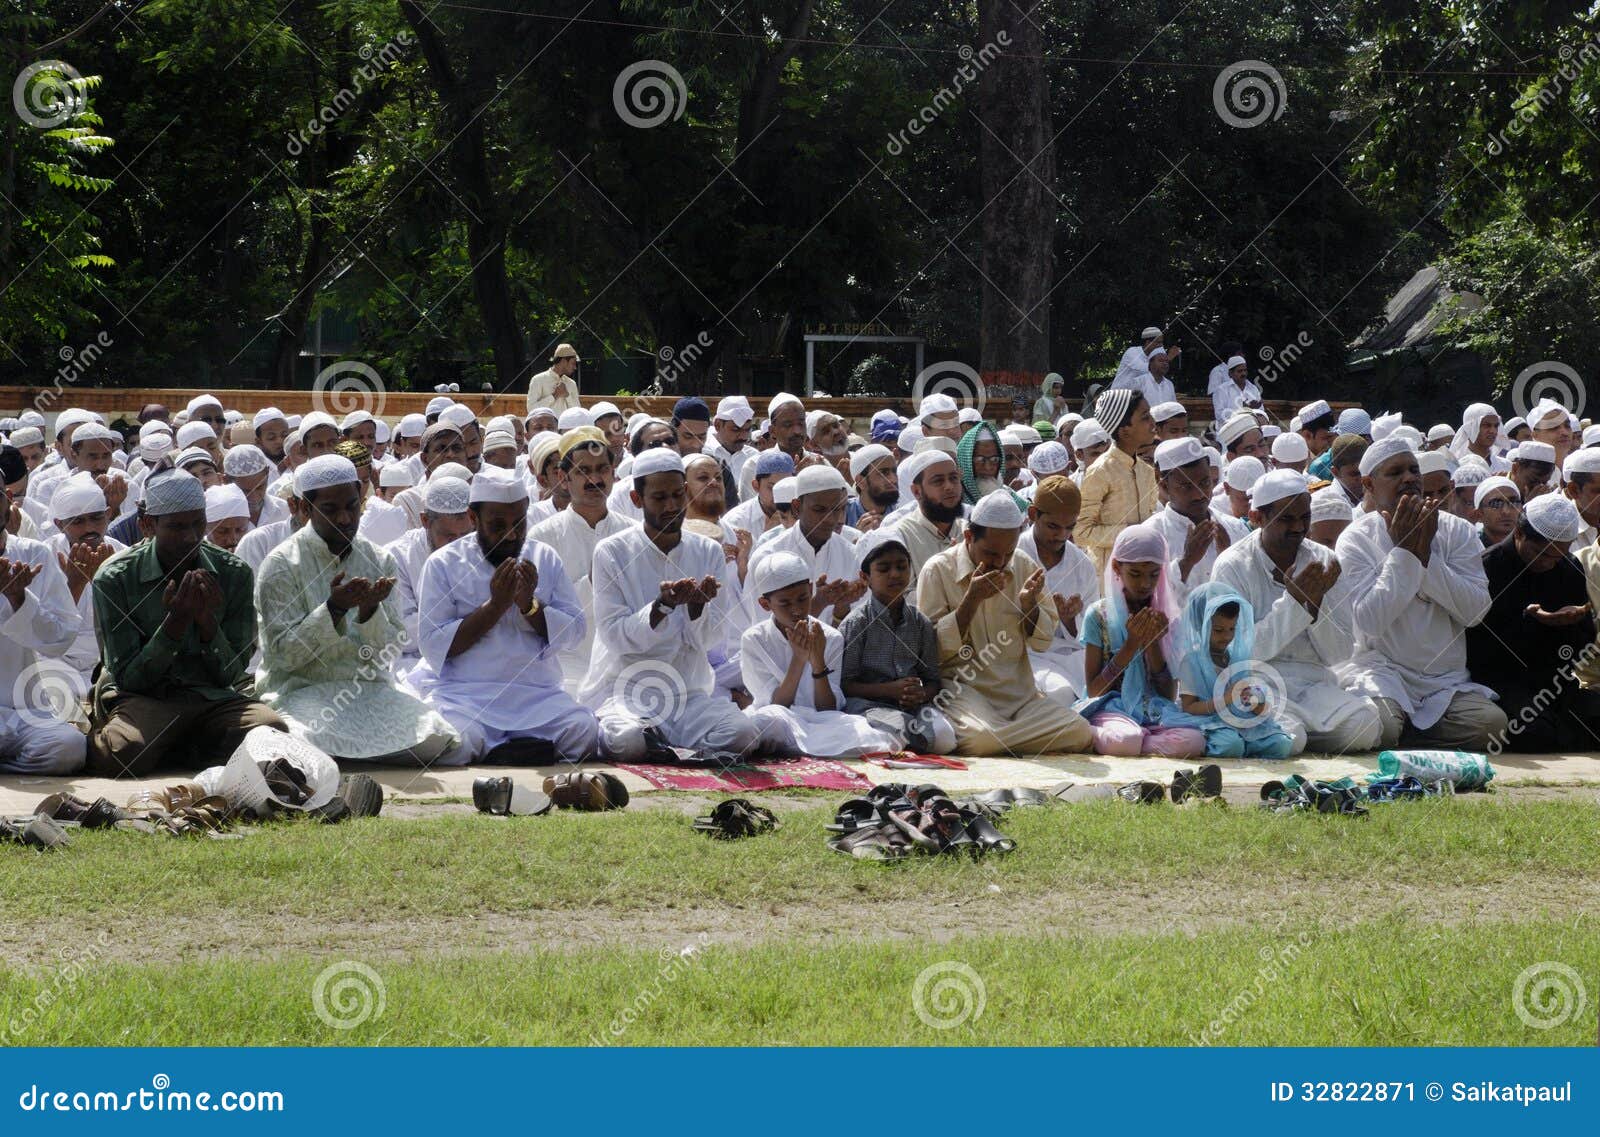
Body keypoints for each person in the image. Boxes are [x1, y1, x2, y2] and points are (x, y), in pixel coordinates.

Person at [255, 455, 460, 765]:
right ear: (306, 509)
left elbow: (390, 651)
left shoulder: (379, 560)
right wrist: (334, 610)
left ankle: (347, 757)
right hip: (302, 691)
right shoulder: (281, 565)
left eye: (352, 506)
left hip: (366, 689)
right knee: (299, 737)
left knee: (436, 736)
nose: (344, 519)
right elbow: (283, 656)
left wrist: (369, 612)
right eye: (330, 509)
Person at [87, 469, 286, 777]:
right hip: (147, 698)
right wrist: (175, 625)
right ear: (147, 525)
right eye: (177, 527)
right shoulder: (115, 578)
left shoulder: (233, 573)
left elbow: (233, 672)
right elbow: (128, 678)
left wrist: (207, 623)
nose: (191, 537)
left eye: (197, 523)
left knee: (271, 730)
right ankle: (181, 745)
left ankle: (177, 745)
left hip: (212, 696)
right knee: (123, 753)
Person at [582, 449, 773, 760]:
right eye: (659, 498)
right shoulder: (611, 551)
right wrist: (661, 608)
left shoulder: (708, 551)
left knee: (744, 734)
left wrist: (697, 610)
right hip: (628, 692)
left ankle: (661, 747)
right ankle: (660, 744)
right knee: (627, 740)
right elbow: (613, 636)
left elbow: (712, 641)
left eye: (676, 495)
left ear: (686, 492)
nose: (671, 506)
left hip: (687, 694)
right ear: (637, 499)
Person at [414, 467, 597, 763]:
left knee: (583, 732)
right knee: (455, 741)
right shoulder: (443, 563)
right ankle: (514, 749)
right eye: (497, 526)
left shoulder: (544, 557)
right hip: (467, 695)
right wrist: (495, 607)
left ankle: (499, 750)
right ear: (473, 518)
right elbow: (433, 644)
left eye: (519, 524)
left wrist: (529, 606)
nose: (511, 535)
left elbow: (575, 632)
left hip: (536, 695)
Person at [1334, 438, 1506, 750]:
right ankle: (1400, 728)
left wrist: (1426, 557)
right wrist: (1405, 554)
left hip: (1443, 681)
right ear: (1368, 484)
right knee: (1381, 726)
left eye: (1414, 470)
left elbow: (1476, 612)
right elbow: (1370, 622)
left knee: (1491, 726)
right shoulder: (1356, 539)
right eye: (1395, 472)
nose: (1409, 478)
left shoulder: (1457, 531)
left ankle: (1409, 733)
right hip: (1383, 673)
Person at [1209, 470, 1379, 753]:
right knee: (1291, 737)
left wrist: (1315, 604)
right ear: (1257, 517)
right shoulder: (1232, 565)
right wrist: (1295, 603)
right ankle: (1286, 735)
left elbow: (1340, 653)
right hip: (1255, 682)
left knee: (1365, 725)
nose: (1299, 527)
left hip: (1313, 686)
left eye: (1304, 517)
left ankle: (1280, 736)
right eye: (1286, 519)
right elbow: (1237, 653)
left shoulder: (1324, 560)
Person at [916, 489, 1094, 756]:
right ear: (969, 537)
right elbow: (931, 652)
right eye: (990, 553)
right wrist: (971, 601)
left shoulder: (1023, 564)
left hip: (1019, 694)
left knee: (1080, 731)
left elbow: (1042, 642)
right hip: (963, 690)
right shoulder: (938, 570)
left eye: (1007, 554)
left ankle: (1001, 738)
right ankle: (1004, 738)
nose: (1000, 563)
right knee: (981, 739)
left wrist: (1029, 607)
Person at [1467, 494, 1600, 750]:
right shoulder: (1487, 568)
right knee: (1535, 732)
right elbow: (1477, 650)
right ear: (1519, 533)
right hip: (1501, 682)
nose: (1548, 564)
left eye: (1557, 557)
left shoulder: (1568, 567)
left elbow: (1581, 647)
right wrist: (1533, 623)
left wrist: (1569, 626)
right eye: (1541, 554)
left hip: (1554, 683)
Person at [740, 552, 895, 758]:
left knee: (863, 731)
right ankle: (810, 747)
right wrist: (799, 658)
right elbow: (776, 704)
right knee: (767, 721)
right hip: (778, 717)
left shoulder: (830, 637)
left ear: (811, 589)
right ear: (765, 604)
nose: (796, 610)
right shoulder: (754, 639)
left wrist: (817, 661)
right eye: (785, 603)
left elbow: (827, 709)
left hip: (821, 722)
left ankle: (802, 746)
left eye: (803, 599)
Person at [1077, 525, 1207, 758]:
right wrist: (1130, 646)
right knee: (1125, 739)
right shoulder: (1098, 615)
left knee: (1194, 741)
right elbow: (1094, 691)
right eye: (1135, 574)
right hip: (1110, 707)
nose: (1145, 584)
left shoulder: (1165, 616)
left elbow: (1168, 695)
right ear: (1117, 567)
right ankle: (1106, 735)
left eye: (1154, 574)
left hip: (1153, 709)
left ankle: (1140, 741)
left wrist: (1152, 643)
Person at [0, 447, 88, 775]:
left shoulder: (34, 554)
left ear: (8, 499)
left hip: (26, 710)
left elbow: (59, 640)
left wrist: (19, 600)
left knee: (69, 747)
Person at [529, 427, 635, 696]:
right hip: (567, 668)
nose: (595, 479)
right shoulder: (542, 538)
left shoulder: (634, 534)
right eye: (583, 471)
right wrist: (592, 581)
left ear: (613, 473)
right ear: (563, 478)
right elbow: (542, 615)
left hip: (627, 665)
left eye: (602, 469)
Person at [839, 531, 956, 754]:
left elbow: (932, 680)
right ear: (865, 577)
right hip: (868, 706)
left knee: (945, 738)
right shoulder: (856, 623)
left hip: (912, 707)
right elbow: (844, 685)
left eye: (902, 567)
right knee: (898, 730)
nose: (895, 574)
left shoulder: (920, 622)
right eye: (884, 569)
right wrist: (889, 690)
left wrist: (920, 694)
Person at [1175, 583, 1297, 758]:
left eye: (1232, 629)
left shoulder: (1236, 658)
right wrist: (1225, 699)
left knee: (1282, 745)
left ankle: (1246, 745)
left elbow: (1252, 697)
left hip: (1241, 721)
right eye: (1218, 630)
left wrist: (1256, 703)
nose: (1227, 636)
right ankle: (1238, 746)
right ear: (1201, 626)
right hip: (1210, 722)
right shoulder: (1191, 662)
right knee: (1231, 745)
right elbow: (1189, 707)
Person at [744, 465, 862, 628]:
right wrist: (819, 603)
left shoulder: (851, 555)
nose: (831, 519)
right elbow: (766, 632)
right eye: (819, 510)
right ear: (797, 507)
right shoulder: (767, 557)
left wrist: (842, 607)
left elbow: (856, 630)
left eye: (838, 509)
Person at [1018, 475, 1098, 697]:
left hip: (1071, 655)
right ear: (1033, 514)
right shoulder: (1013, 555)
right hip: (1024, 654)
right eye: (1053, 526)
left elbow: (1091, 633)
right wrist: (1029, 608)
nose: (1062, 535)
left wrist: (1070, 620)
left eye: (1069, 527)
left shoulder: (1082, 566)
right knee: (1060, 694)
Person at [1146, 437, 1245, 607]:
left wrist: (1229, 560)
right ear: (1163, 485)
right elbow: (1145, 600)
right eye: (1186, 487)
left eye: (1205, 483)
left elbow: (1253, 595)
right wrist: (1186, 563)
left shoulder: (1235, 528)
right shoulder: (1150, 537)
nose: (1199, 494)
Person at [1076, 389, 1158, 575]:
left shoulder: (1146, 471)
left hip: (1145, 571)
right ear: (1124, 431)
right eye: (1145, 417)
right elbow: (1081, 531)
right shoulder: (1100, 471)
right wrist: (1130, 534)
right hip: (1108, 574)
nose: (1153, 423)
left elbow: (1151, 516)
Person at [889, 449, 965, 582]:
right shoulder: (900, 537)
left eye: (954, 478)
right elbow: (903, 592)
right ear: (916, 491)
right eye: (938, 481)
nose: (949, 487)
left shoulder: (970, 531)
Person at [846, 443, 898, 530]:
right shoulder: (842, 514)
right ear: (861, 481)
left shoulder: (904, 512)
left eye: (894, 471)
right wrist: (858, 536)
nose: (893, 479)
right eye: (884, 473)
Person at [526, 343, 581, 414]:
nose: (575, 367)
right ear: (563, 361)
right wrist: (554, 395)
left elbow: (577, 411)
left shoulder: (571, 383)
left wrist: (567, 396)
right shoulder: (538, 380)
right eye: (573, 363)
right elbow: (531, 409)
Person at [1210, 354, 1262, 422]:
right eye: (1240, 371)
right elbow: (1220, 416)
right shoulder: (1221, 390)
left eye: (1245, 370)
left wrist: (1256, 411)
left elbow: (1262, 412)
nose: (1243, 374)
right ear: (1230, 374)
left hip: (1252, 425)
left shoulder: (1253, 389)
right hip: (1230, 427)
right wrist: (1242, 411)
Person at [203, 483, 252, 552]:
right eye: (222, 531)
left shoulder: (258, 549)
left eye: (240, 530)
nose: (232, 541)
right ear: (205, 527)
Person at [1474, 476, 1522, 547]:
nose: (1507, 511)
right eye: (1496, 504)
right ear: (1479, 514)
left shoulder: (1531, 548)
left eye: (1514, 503)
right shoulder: (1470, 548)